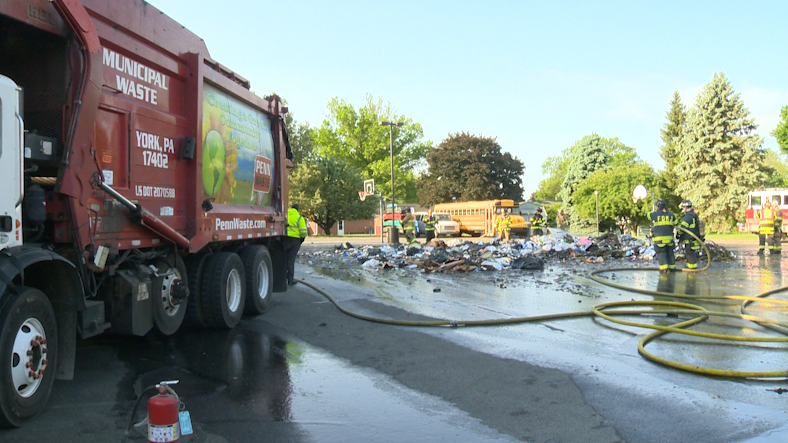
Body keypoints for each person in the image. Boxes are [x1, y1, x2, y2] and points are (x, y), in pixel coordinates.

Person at [648, 199, 678, 273]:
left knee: (662, 255)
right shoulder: (671, 215)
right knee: (670, 254)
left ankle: (664, 271)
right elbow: (676, 224)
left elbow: (647, 215)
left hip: (659, 241)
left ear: (658, 207)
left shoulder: (655, 215)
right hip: (670, 241)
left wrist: (654, 211)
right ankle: (672, 269)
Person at [284, 203, 308, 286]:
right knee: (291, 260)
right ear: (297, 210)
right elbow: (303, 232)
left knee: (282, 259)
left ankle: (281, 279)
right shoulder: (299, 218)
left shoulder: (286, 215)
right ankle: (290, 280)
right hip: (295, 241)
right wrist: (301, 240)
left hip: (284, 239)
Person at [678, 200, 700, 270]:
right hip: (694, 238)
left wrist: (678, 234)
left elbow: (682, 229)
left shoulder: (687, 217)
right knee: (691, 253)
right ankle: (690, 266)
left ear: (685, 207)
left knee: (689, 253)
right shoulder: (694, 215)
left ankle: (691, 268)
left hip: (689, 239)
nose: (683, 209)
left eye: (683, 207)